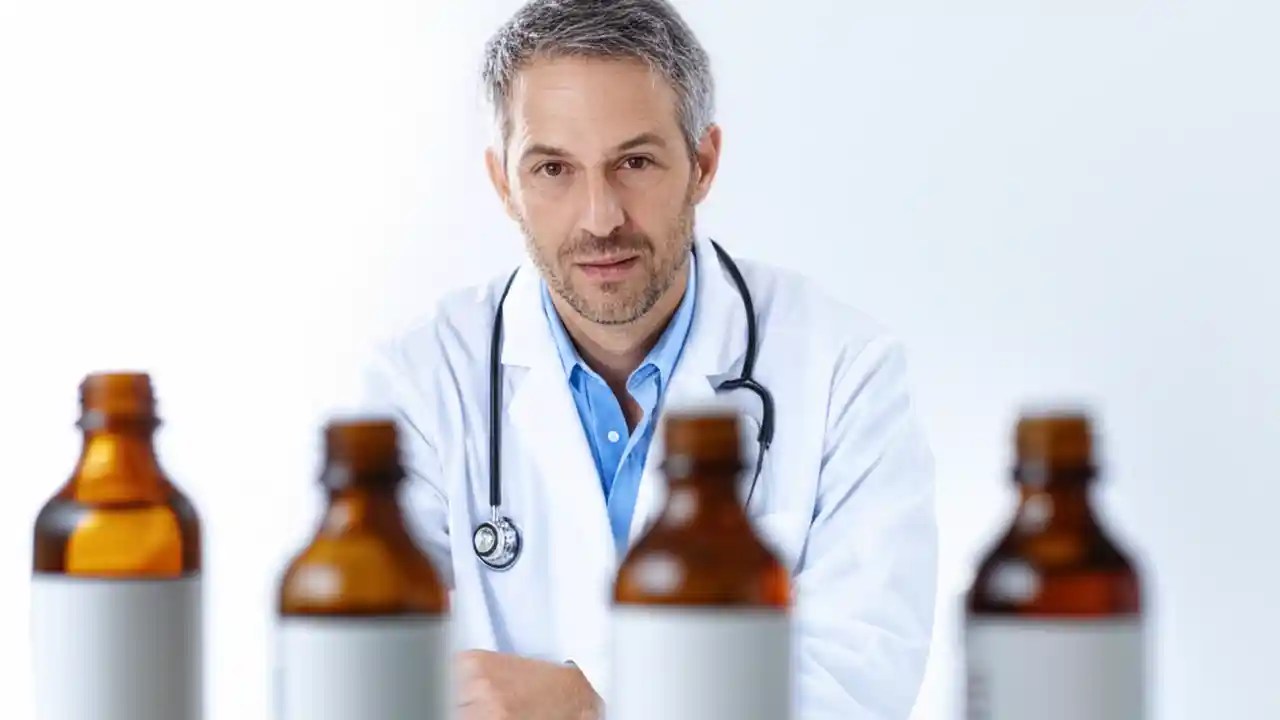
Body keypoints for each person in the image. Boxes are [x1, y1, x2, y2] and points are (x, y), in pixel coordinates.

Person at [362, 1, 938, 717]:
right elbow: (370, 675)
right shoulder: (417, 381)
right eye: (552, 169)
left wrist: (591, 703)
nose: (600, 218)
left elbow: (858, 682)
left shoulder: (844, 372)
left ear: (703, 164)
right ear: (503, 183)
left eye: (634, 162)